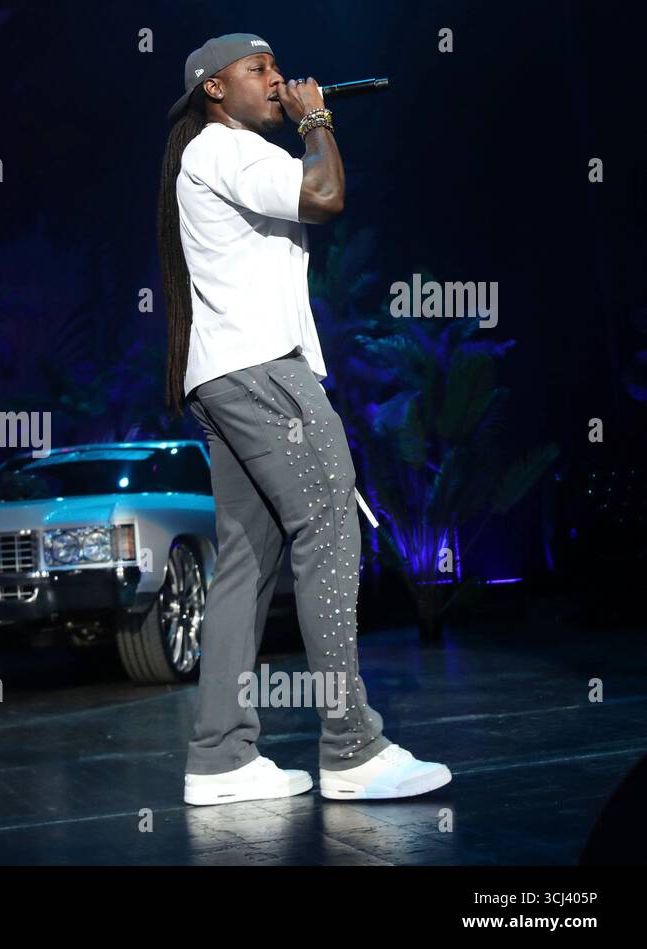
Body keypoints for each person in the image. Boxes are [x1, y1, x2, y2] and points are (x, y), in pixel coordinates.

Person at [157, 34, 451, 803]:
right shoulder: (229, 149)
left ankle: (220, 759)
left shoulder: (213, 156)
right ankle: (352, 748)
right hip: (264, 371)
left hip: (223, 376)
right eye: (259, 71)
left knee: (246, 563)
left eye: (278, 69)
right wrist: (318, 121)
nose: (279, 79)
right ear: (214, 90)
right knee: (328, 524)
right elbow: (325, 197)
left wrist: (301, 121)